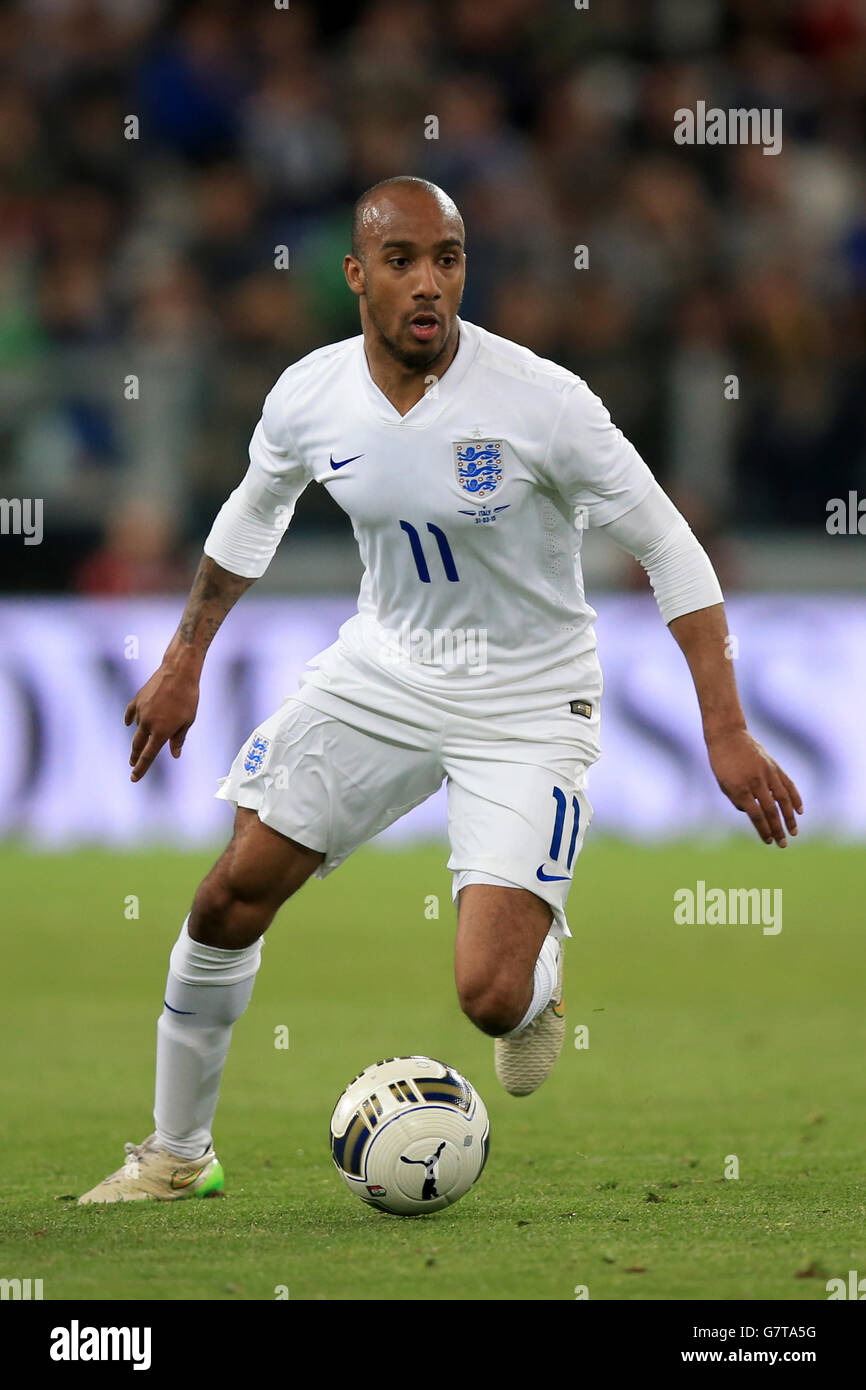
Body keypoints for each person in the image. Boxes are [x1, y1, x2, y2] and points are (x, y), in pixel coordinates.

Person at [78, 177, 802, 1204]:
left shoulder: (542, 403)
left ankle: (540, 981)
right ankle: (175, 1155)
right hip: (383, 672)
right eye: (403, 259)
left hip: (526, 697)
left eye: (448, 258)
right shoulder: (309, 395)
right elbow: (252, 516)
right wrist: (184, 657)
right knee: (228, 892)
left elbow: (670, 549)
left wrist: (722, 727)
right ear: (355, 274)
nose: (429, 282)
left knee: (489, 997)